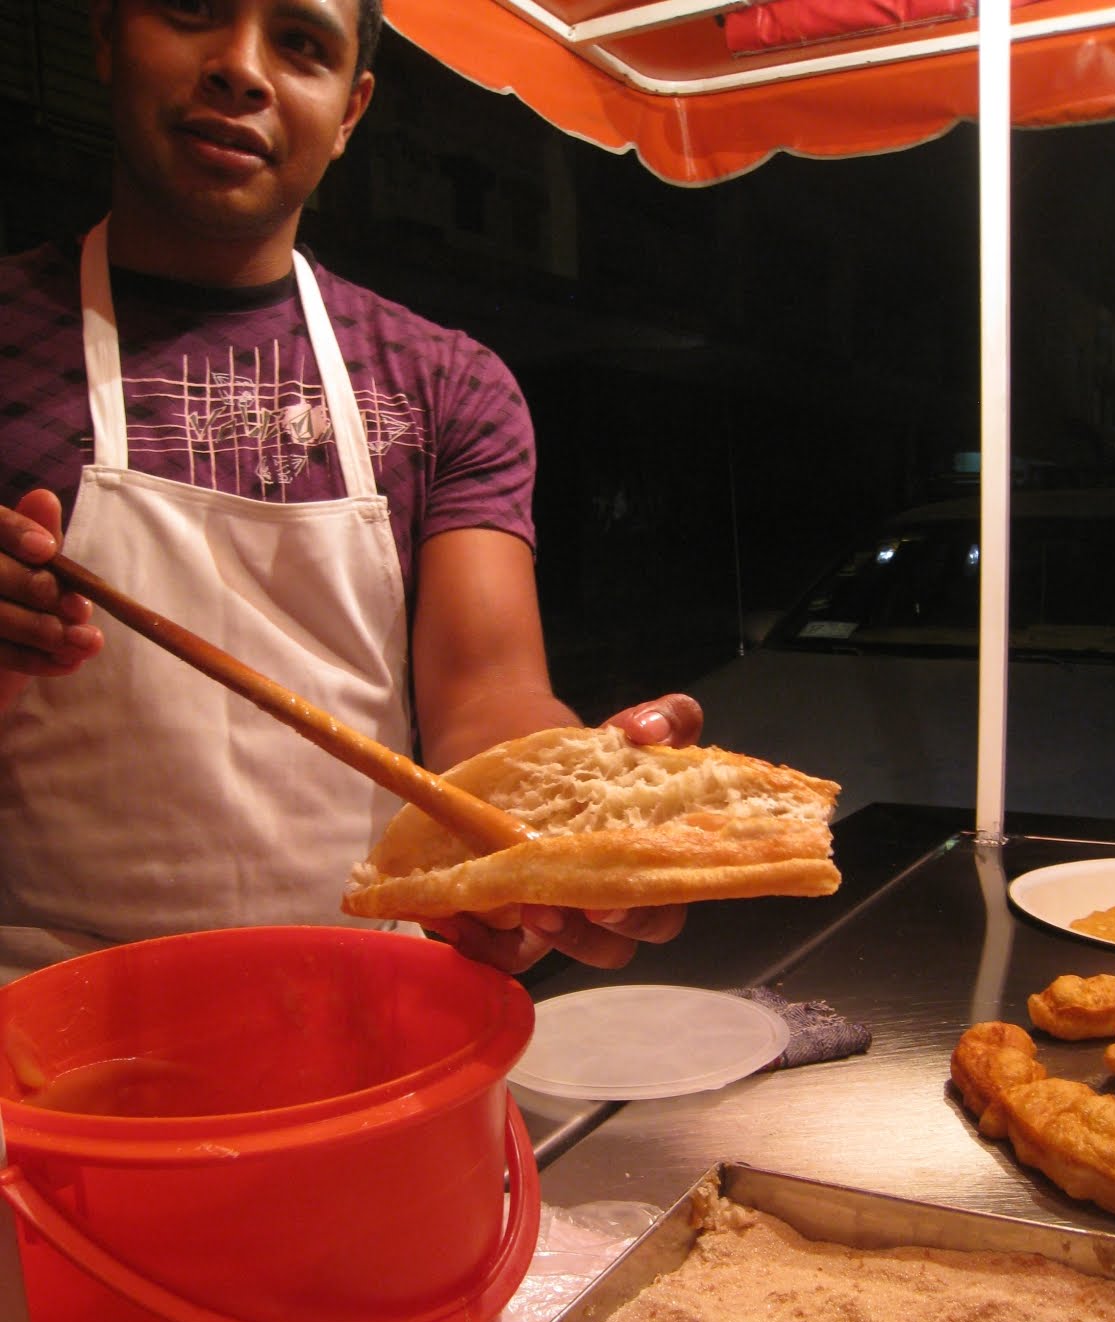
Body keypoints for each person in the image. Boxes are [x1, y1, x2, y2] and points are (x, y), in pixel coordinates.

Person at [0, 0, 703, 984]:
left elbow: (485, 697)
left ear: (350, 111)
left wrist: (571, 802)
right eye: (195, 9)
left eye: (301, 43)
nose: (242, 69)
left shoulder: (446, 385)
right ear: (107, 37)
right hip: (50, 1025)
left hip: (372, 1004)